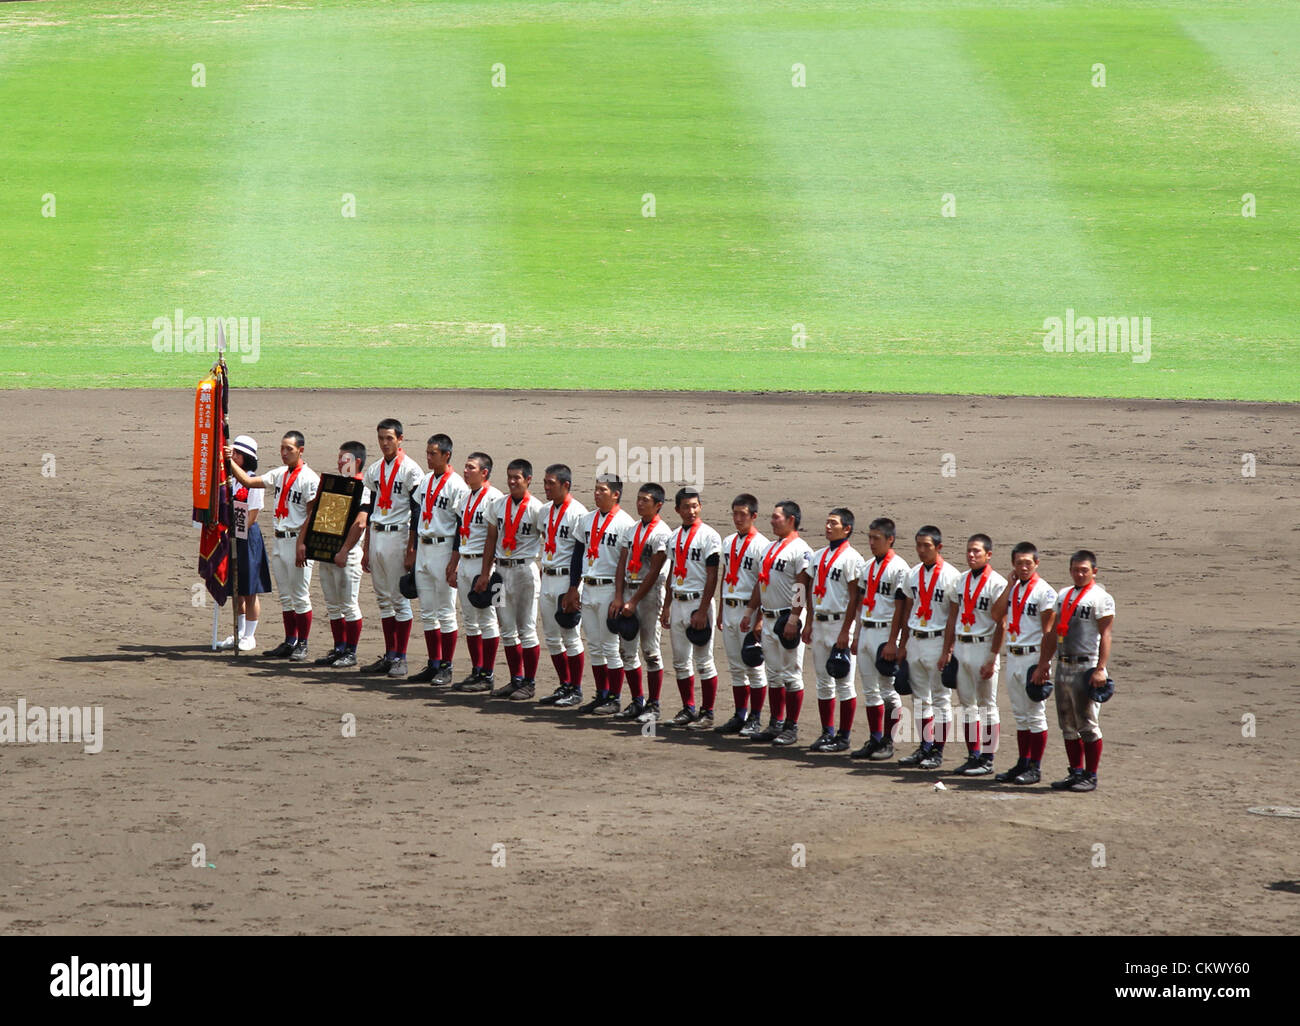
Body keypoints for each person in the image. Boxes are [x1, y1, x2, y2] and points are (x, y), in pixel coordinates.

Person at [224, 431, 320, 661]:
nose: (284, 453)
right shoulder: (279, 474)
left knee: (300, 595)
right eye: (282, 448)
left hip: (297, 540)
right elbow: (249, 481)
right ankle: (290, 641)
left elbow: (312, 514)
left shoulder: (309, 478)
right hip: (279, 539)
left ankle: (303, 643)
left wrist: (302, 543)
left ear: (301, 450)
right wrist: (228, 462)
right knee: (286, 596)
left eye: (290, 449)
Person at [1036, 550, 1115, 792]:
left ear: (1094, 571)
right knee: (1067, 723)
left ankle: (1091, 775)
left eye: (1084, 570)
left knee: (1087, 724)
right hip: (1064, 664)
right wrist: (1043, 664)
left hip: (1085, 665)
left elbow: (1106, 635)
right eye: (1075, 570)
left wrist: (1100, 669)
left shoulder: (1101, 598)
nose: (1079, 574)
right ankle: (1076, 772)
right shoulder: (1063, 596)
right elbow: (1052, 634)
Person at [740, 500, 813, 746]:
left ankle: (791, 727)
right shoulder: (770, 548)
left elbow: (802, 585)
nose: (771, 521)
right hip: (769, 617)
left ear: (791, 520)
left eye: (776, 517)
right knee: (773, 675)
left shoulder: (801, 549)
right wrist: (751, 612)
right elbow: (762, 584)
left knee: (792, 675)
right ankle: (775, 723)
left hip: (787, 618)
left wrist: (794, 617)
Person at [560, 474, 636, 710]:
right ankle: (601, 694)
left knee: (610, 646)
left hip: (610, 589)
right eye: (595, 489)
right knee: (594, 645)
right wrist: (574, 587)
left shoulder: (625, 523)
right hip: (588, 587)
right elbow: (577, 555)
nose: (596, 493)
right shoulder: (586, 520)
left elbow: (628, 564)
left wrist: (620, 596)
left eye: (602, 490)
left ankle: (614, 698)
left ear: (616, 494)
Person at [987, 542, 1058, 784]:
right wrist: (1009, 585)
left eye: (1028, 563)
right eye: (1019, 563)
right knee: (1020, 715)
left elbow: (1050, 632)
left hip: (1032, 657)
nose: (1024, 567)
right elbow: (996, 616)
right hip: (1014, 656)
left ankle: (1035, 767)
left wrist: (1043, 665)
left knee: (1035, 714)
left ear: (1036, 563)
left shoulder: (1045, 592)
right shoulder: (1014, 589)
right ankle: (1023, 762)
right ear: (1013, 565)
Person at [796, 508, 865, 753]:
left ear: (846, 528)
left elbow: (855, 597)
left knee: (844, 681)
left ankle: (844, 736)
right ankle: (827, 732)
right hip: (820, 623)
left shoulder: (853, 558)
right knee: (823, 683)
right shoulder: (818, 556)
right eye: (826, 522)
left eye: (832, 523)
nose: (827, 526)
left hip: (839, 624)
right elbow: (810, 590)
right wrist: (809, 621)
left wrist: (847, 631)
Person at [360, 419, 424, 678]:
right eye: (381, 438)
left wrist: (412, 548)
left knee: (399, 599)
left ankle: (401, 657)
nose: (385, 443)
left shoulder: (411, 470)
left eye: (389, 438)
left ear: (400, 439)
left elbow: (417, 510)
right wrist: (366, 547)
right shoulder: (374, 470)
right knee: (383, 600)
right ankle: (389, 655)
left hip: (398, 536)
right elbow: (370, 508)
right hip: (377, 535)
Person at [298, 441, 371, 669]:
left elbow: (360, 523)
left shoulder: (365, 487)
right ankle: (339, 648)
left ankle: (351, 651)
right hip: (327, 552)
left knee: (349, 604)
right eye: (339, 458)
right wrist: (303, 542)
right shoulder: (331, 484)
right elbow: (315, 513)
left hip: (347, 555)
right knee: (332, 604)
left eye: (344, 458)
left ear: (356, 461)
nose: (339, 462)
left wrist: (344, 551)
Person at [893, 525, 961, 768]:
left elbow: (955, 616)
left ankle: (937, 751)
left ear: (939, 547)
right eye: (918, 545)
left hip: (937, 640)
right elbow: (907, 609)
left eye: (927, 546)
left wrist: (948, 649)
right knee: (920, 699)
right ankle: (924, 746)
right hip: (915, 640)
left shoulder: (952, 576)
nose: (921, 550)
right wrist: (903, 644)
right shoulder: (912, 574)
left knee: (941, 699)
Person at [941, 534, 1009, 775]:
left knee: (987, 705)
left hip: (983, 647)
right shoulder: (960, 581)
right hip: (961, 646)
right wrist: (947, 650)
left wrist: (992, 658)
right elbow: (952, 617)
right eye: (969, 551)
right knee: (966, 704)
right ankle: (973, 755)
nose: (971, 555)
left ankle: (988, 758)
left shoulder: (998, 583)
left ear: (988, 555)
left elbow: (1001, 624)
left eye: (977, 552)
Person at [405, 434, 469, 684]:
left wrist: (454, 561)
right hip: (424, 549)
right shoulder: (425, 481)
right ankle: (433, 663)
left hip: (443, 549)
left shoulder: (457, 485)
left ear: (446, 455)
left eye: (433, 453)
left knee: (445, 611)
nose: (428, 457)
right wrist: (412, 548)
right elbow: (416, 513)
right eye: (427, 452)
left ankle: (447, 666)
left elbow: (461, 525)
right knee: (428, 611)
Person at [481, 459, 545, 699]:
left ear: (528, 479)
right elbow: (490, 539)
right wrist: (485, 573)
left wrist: (544, 570)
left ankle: (530, 682)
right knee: (506, 627)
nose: (511, 481)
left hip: (525, 571)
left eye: (517, 477)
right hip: (500, 573)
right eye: (509, 476)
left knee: (526, 628)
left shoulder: (537, 509)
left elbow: (549, 540)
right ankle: (515, 679)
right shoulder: (497, 505)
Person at [660, 487, 723, 729]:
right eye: (686, 507)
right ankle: (688, 708)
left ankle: (707, 713)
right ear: (677, 510)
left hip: (699, 602)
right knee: (680, 661)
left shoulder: (710, 536)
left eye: (695, 505)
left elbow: (712, 575)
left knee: (704, 660)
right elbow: (672, 573)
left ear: (700, 507)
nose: (691, 511)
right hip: (677, 601)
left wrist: (703, 610)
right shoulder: (674, 536)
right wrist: (666, 606)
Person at [850, 517, 911, 760]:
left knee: (888, 689)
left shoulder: (899, 568)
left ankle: (889, 741)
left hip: (886, 632)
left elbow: (902, 609)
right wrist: (856, 634)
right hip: (866, 630)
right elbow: (860, 603)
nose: (872, 543)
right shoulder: (867, 567)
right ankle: (875, 739)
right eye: (870, 537)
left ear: (890, 539)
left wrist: (893, 642)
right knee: (869, 690)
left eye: (876, 538)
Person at [610, 484, 671, 721]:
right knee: (626, 649)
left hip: (649, 596)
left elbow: (654, 572)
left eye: (646, 500)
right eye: (638, 499)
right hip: (629, 591)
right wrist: (619, 596)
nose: (640, 503)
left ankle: (653, 705)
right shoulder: (632, 529)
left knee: (650, 651)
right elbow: (622, 564)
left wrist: (633, 601)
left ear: (658, 505)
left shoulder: (662, 533)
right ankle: (637, 701)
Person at [448, 452, 504, 692]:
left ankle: (488, 674)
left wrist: (487, 572)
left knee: (488, 619)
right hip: (466, 561)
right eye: (465, 466)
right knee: (470, 621)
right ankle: (477, 670)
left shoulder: (494, 498)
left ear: (484, 472)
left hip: (485, 564)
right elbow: (461, 532)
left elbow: (497, 537)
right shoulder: (464, 497)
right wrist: (454, 563)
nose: (466, 470)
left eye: (471, 467)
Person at [714, 494, 768, 736]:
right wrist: (721, 610)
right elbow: (726, 576)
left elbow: (763, 584)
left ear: (753, 516)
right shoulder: (728, 542)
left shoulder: (762, 546)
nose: (737, 519)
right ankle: (740, 714)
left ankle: (755, 718)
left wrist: (759, 619)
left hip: (750, 608)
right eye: (734, 513)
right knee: (736, 666)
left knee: (753, 666)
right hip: (730, 607)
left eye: (742, 514)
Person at [535, 465, 588, 705]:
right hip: (547, 577)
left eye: (551, 483)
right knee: (551, 637)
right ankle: (564, 685)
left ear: (565, 485)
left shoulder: (578, 513)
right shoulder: (544, 511)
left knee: (570, 634)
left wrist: (575, 587)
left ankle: (576, 689)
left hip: (568, 580)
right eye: (545, 482)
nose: (546, 487)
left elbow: (582, 553)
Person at [217, 434, 273, 652]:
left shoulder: (253, 482)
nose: (235, 457)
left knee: (250, 589)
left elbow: (252, 516)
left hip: (247, 538)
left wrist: (236, 532)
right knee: (237, 588)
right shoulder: (227, 481)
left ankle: (250, 635)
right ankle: (239, 632)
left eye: (238, 454)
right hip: (230, 537)